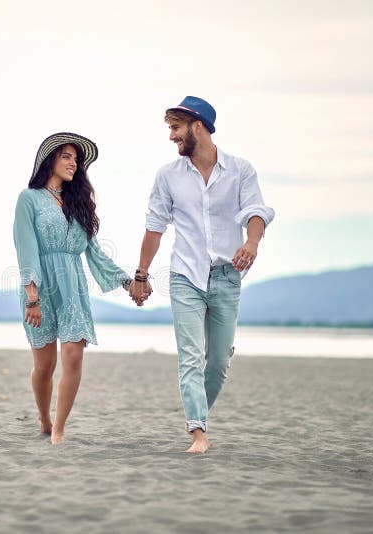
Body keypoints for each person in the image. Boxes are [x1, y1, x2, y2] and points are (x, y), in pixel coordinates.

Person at [129, 96, 275, 453]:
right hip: (185, 276)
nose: (171, 137)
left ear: (198, 126)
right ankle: (198, 432)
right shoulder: (168, 176)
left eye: (175, 128)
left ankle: (197, 414)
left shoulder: (240, 170)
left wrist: (252, 243)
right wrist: (142, 274)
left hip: (227, 276)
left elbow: (256, 211)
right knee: (190, 356)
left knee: (219, 362)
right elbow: (155, 226)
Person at [13, 132, 131, 445]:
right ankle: (44, 417)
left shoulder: (79, 204)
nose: (73, 163)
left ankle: (59, 429)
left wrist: (126, 281)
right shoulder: (29, 199)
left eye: (76, 159)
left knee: (73, 355)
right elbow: (25, 248)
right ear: (49, 159)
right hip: (39, 287)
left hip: (73, 286)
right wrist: (32, 296)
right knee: (44, 364)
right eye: (66, 156)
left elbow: (95, 252)